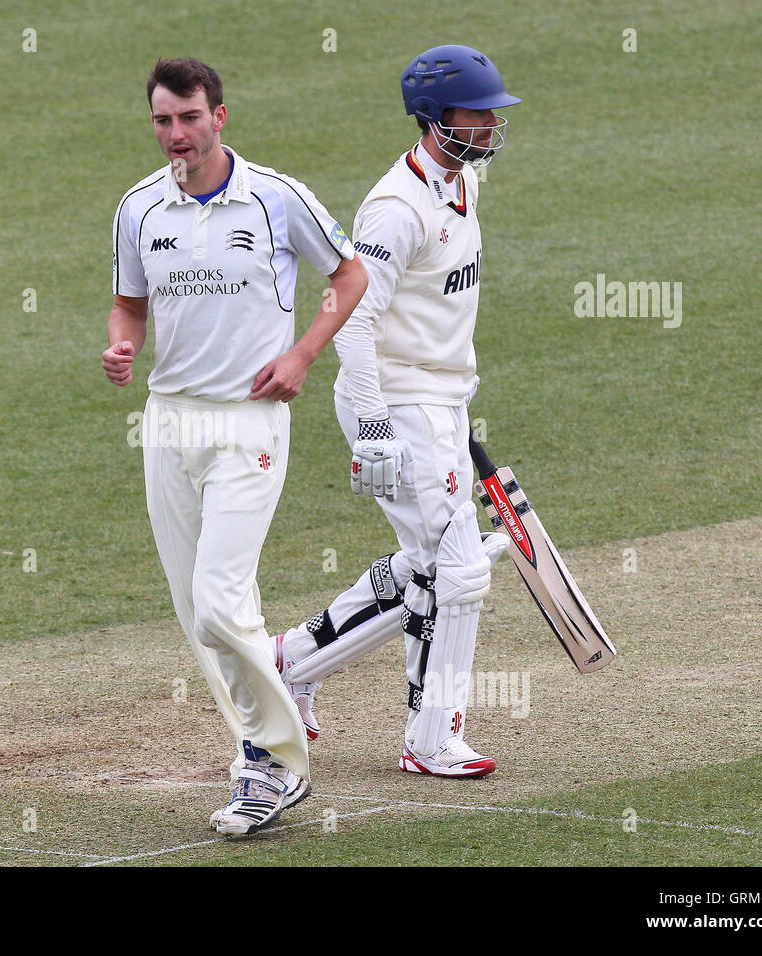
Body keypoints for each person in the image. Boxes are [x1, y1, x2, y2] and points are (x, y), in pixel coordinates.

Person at [103, 57, 368, 833]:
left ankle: (279, 759)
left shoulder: (277, 198)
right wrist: (121, 348)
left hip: (248, 419)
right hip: (168, 421)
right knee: (202, 611)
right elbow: (128, 305)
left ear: (220, 116)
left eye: (188, 118)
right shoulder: (139, 209)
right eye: (162, 121)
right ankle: (258, 759)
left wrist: (303, 354)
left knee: (221, 604)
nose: (175, 135)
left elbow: (349, 277)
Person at [272, 45, 519, 777]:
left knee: (429, 565)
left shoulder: (464, 180)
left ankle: (291, 662)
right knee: (461, 572)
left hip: (439, 397)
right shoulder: (394, 209)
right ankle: (431, 739)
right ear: (436, 119)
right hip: (394, 400)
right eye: (478, 113)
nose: (490, 125)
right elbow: (351, 317)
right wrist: (376, 427)